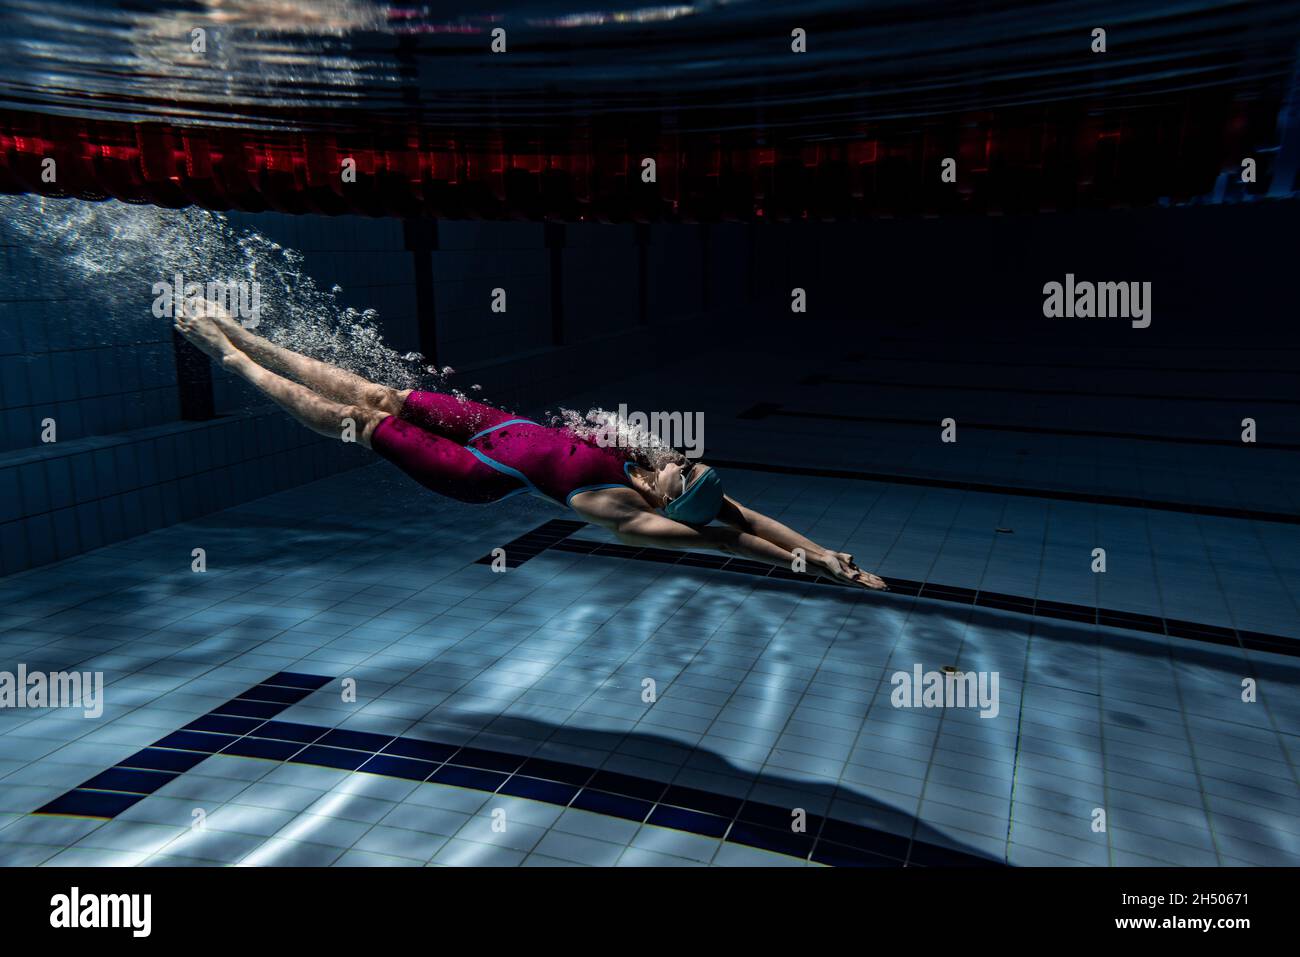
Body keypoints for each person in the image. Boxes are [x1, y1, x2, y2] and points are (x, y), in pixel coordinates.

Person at [174, 300, 887, 590]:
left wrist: (809, 572)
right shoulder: (645, 464)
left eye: (683, 470)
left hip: (476, 468)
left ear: (672, 502)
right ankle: (249, 337)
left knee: (356, 421)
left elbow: (733, 541)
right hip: (493, 426)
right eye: (688, 459)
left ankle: (230, 359)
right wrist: (818, 551)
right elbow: (750, 518)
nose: (679, 457)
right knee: (381, 393)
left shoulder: (628, 513)